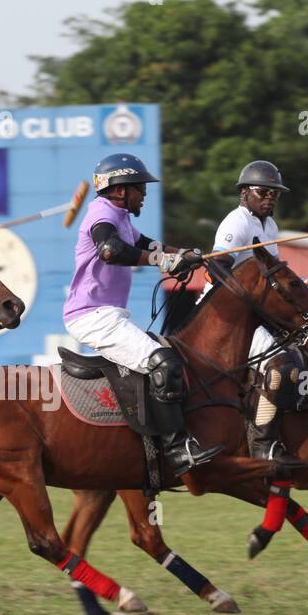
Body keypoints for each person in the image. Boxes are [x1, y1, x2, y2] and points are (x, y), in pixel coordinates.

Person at [63, 152, 221, 477]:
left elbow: (146, 243)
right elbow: (111, 251)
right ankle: (177, 450)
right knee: (164, 362)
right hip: (91, 315)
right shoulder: (101, 213)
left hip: (108, 314)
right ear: (120, 189)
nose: (144, 195)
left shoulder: (121, 218)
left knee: (170, 360)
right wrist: (162, 261)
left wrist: (183, 254)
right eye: (140, 188)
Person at [213, 159, 301, 467]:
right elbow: (216, 271)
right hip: (228, 317)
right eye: (263, 191)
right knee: (279, 363)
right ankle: (262, 444)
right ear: (244, 193)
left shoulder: (270, 226)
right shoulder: (236, 223)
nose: (269, 198)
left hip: (256, 314)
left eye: (274, 194)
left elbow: (273, 275)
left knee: (300, 351)